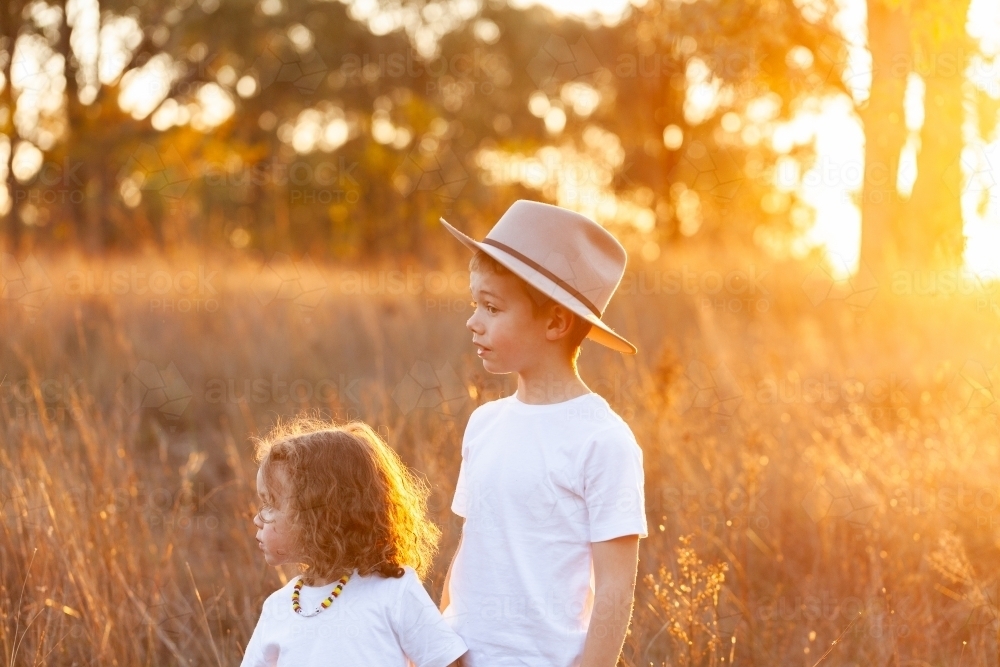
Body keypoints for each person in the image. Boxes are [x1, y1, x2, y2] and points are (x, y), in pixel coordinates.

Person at [437, 200, 648, 666]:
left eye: (492, 307)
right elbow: (470, 547)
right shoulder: (484, 424)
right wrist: (433, 645)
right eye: (475, 303)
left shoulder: (603, 440)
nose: (474, 321)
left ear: (555, 322)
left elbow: (615, 588)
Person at [241, 417, 467, 667]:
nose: (257, 518)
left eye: (271, 503)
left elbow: (446, 661)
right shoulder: (278, 608)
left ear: (321, 514)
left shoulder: (393, 591)